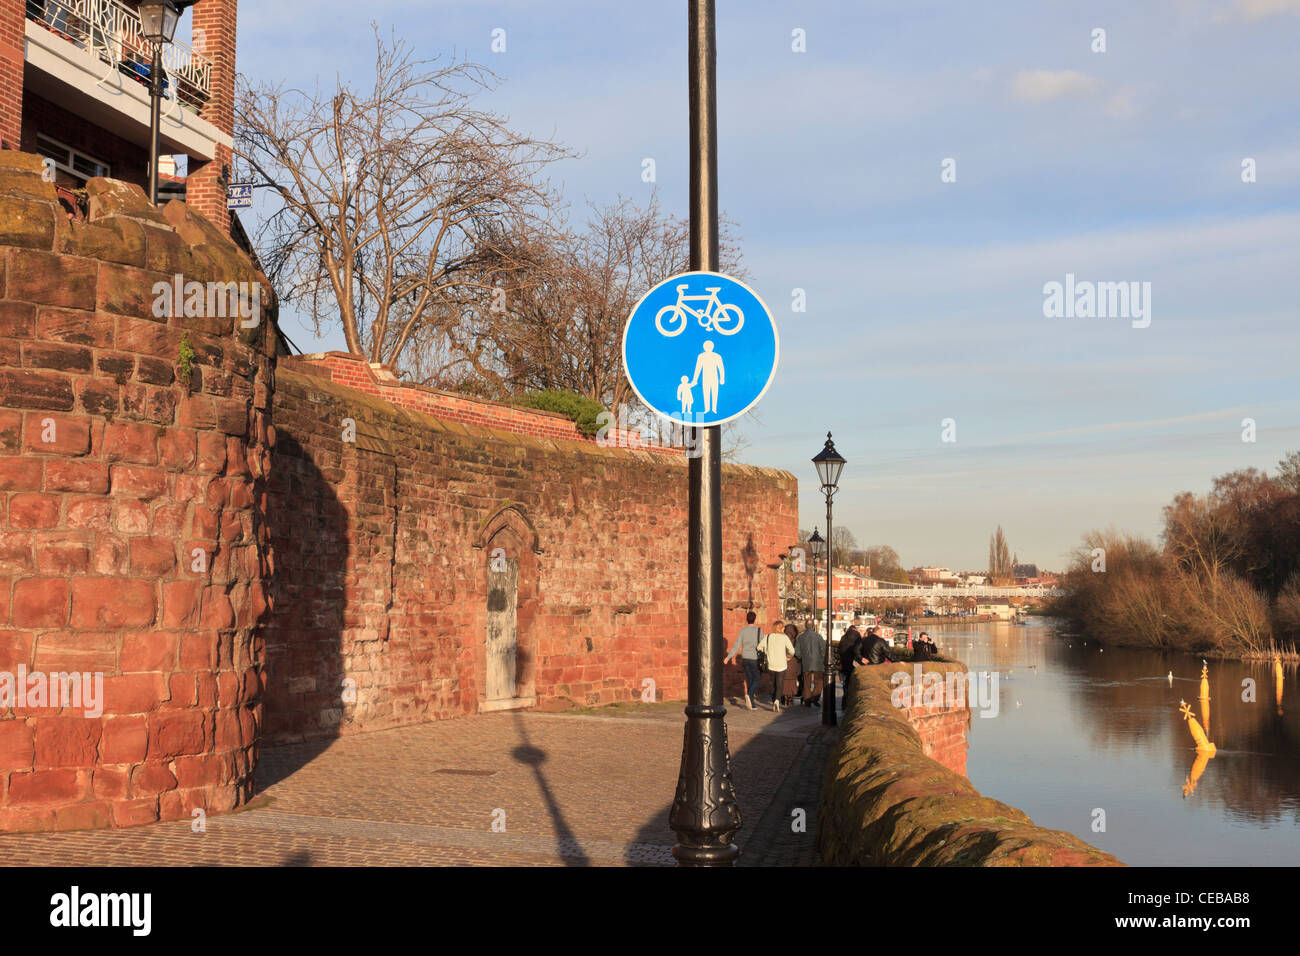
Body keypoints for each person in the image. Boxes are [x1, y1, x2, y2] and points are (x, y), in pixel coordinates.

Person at [724, 610, 763, 709]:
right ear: (755, 619)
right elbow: (763, 646)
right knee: (757, 678)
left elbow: (737, 645)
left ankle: (751, 704)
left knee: (749, 680)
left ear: (747, 620)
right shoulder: (759, 631)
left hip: (745, 658)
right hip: (754, 658)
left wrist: (728, 658)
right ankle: (749, 695)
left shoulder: (742, 631)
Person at [760, 620, 795, 712]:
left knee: (773, 683)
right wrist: (788, 657)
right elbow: (792, 650)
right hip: (782, 664)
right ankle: (777, 700)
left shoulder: (768, 637)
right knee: (780, 684)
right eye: (783, 627)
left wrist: (767, 651)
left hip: (771, 664)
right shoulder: (784, 638)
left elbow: (759, 647)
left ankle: (773, 699)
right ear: (781, 628)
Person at [794, 618, 826, 706]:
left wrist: (801, 657)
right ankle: (814, 697)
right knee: (819, 682)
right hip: (818, 662)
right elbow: (824, 649)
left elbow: (797, 651)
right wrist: (822, 658)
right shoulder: (818, 636)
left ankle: (807, 700)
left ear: (805, 626)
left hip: (806, 662)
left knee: (806, 683)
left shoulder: (800, 637)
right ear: (813, 626)